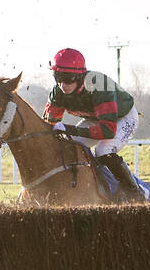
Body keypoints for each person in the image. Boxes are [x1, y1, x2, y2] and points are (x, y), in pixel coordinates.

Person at [43, 48, 143, 201]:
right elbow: (48, 125)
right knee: (70, 147)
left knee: (103, 150)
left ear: (80, 76)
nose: (63, 84)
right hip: (95, 118)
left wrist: (70, 129)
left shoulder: (99, 85)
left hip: (122, 117)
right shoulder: (57, 92)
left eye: (68, 78)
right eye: (58, 77)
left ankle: (134, 192)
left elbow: (107, 131)